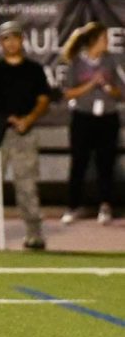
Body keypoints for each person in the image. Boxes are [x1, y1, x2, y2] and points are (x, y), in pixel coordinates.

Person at [0, 20, 50, 250]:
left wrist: (28, 119)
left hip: (25, 134)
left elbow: (43, 99)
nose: (12, 42)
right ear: (0, 43)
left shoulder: (34, 70)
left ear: (22, 40)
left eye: (15, 37)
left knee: (27, 185)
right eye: (6, 38)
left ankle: (34, 232)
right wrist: (4, 119)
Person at [59, 22, 122, 226]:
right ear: (94, 41)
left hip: (107, 117)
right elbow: (68, 92)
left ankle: (105, 206)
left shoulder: (110, 61)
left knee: (106, 163)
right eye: (103, 39)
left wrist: (106, 85)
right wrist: (91, 84)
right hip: (83, 117)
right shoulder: (76, 63)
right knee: (79, 162)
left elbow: (120, 92)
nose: (107, 42)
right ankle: (72, 206)